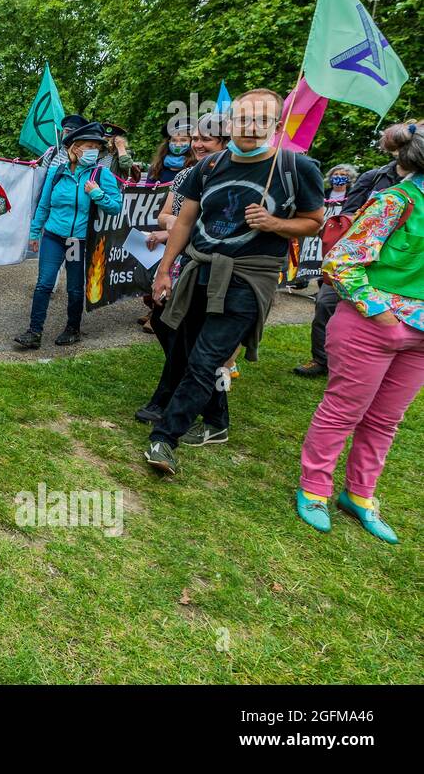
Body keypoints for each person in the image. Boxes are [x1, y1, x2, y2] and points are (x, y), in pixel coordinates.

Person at [142, 88, 324, 475]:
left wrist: (275, 223)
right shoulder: (207, 168)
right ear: (230, 123)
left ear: (276, 125)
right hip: (199, 269)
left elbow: (314, 221)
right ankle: (217, 423)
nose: (252, 127)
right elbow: (185, 221)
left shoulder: (297, 168)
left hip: (248, 277)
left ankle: (165, 437)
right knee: (192, 352)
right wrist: (164, 270)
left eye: (262, 120)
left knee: (207, 358)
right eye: (244, 118)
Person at [294, 122, 424, 544]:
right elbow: (342, 262)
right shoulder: (396, 200)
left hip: (419, 338)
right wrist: (381, 314)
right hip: (372, 327)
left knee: (386, 419)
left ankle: (360, 494)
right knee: (344, 409)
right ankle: (314, 488)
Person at [136, 112, 229, 422]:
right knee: (163, 321)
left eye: (206, 139)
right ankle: (183, 386)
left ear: (224, 142)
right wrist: (175, 224)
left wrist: (183, 227)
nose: (198, 144)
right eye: (196, 139)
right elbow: (165, 215)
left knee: (190, 332)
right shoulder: (185, 176)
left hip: (212, 266)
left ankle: (173, 396)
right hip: (179, 260)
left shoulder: (231, 180)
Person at [296, 144, 412, 378]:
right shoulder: (375, 177)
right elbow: (346, 215)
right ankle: (320, 359)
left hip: (395, 264)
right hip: (358, 257)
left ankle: (364, 367)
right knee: (325, 304)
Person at [15, 120, 122, 349]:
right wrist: (35, 233)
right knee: (44, 284)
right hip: (53, 237)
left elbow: (115, 207)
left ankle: (73, 328)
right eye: (88, 146)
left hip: (78, 241)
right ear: (74, 148)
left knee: (74, 287)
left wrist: (97, 194)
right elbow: (43, 205)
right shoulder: (57, 172)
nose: (93, 151)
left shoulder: (101, 175)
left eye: (96, 147)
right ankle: (34, 332)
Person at [145, 118, 195, 186]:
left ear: (191, 142)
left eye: (183, 140)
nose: (178, 145)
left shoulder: (197, 165)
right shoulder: (156, 167)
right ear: (168, 142)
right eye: (174, 140)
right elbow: (149, 192)